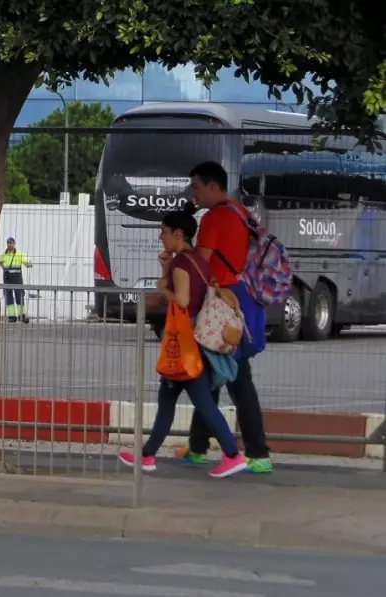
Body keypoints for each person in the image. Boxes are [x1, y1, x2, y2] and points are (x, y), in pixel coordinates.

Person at [118, 204, 249, 479]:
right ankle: (148, 455)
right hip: (194, 342)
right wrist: (165, 269)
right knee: (171, 399)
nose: (160, 237)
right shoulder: (198, 261)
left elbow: (183, 301)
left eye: (164, 231)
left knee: (201, 403)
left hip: (185, 344)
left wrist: (162, 287)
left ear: (178, 234)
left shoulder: (181, 263)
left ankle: (233, 454)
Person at [184, 161, 273, 474]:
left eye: (195, 186)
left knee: (236, 378)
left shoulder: (213, 218)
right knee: (212, 374)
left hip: (220, 302)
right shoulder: (238, 210)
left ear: (212, 186)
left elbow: (202, 264)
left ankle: (258, 453)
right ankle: (197, 446)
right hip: (241, 299)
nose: (192, 193)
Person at [0, 237, 33, 323]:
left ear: (14, 244)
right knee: (8, 297)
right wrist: (4, 269)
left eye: (11, 243)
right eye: (8, 243)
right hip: (8, 279)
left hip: (17, 278)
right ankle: (11, 316)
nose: (9, 244)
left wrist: (29, 264)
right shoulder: (4, 254)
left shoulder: (19, 254)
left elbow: (25, 262)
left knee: (19, 296)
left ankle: (22, 315)